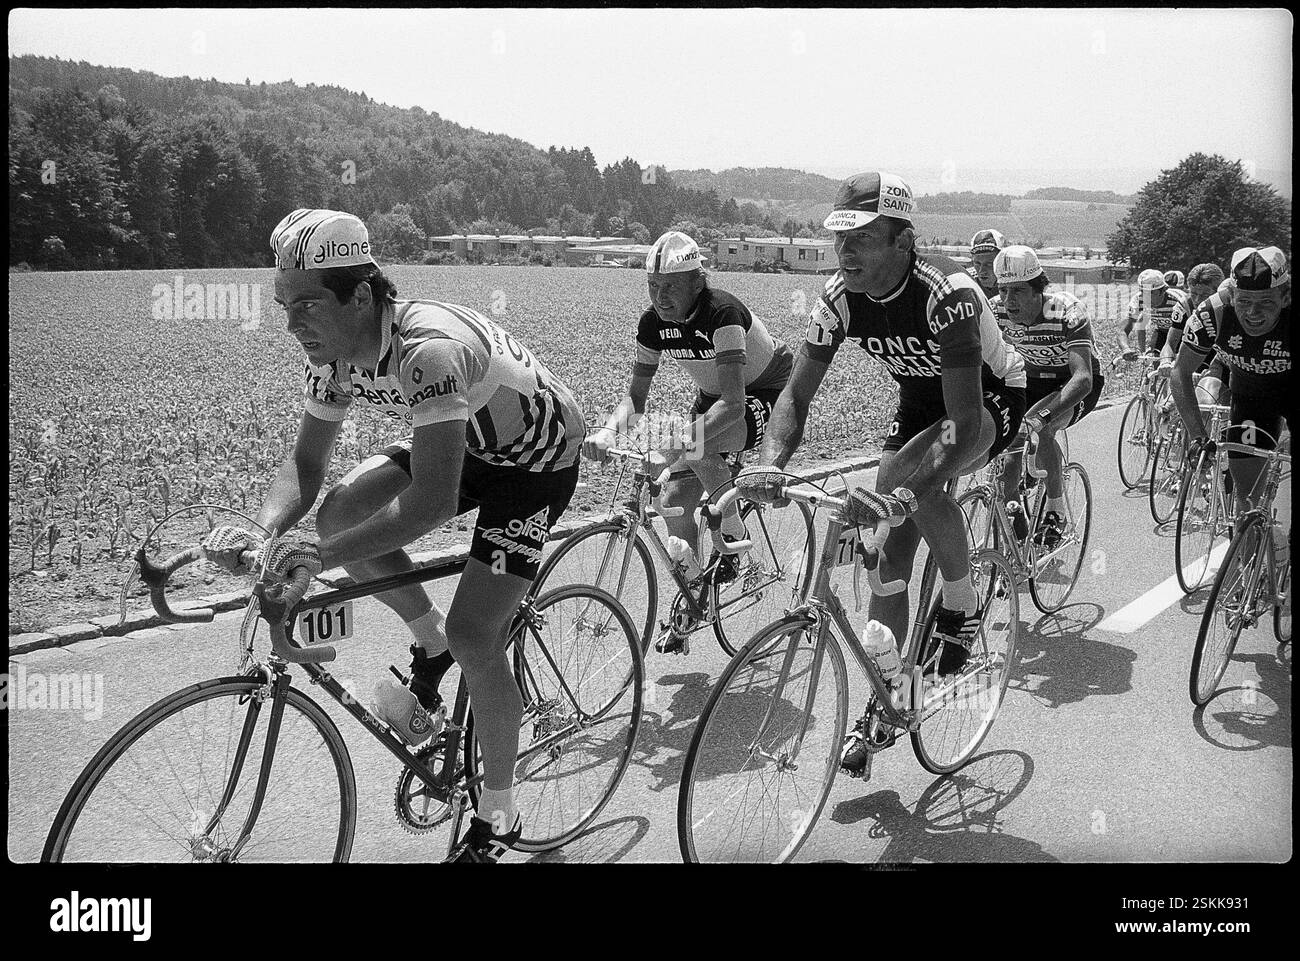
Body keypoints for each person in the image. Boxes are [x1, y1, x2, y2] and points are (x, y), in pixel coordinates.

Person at [201, 208, 586, 863]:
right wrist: (260, 529)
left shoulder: (426, 349)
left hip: (532, 460)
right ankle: (429, 640)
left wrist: (316, 557)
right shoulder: (331, 356)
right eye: (282, 305)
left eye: (305, 305)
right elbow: (306, 466)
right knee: (337, 515)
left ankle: (498, 813)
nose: (291, 324)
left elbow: (430, 499)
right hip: (466, 438)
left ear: (360, 295)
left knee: (477, 633)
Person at [733, 171, 1026, 777]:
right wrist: (768, 464)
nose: (846, 254)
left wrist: (906, 493)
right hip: (922, 402)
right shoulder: (838, 299)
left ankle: (961, 601)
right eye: (840, 240)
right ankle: (890, 692)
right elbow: (795, 394)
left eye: (861, 239)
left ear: (902, 240)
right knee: (889, 556)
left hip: (989, 397)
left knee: (909, 486)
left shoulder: (950, 293)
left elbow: (964, 422)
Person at [584, 231, 793, 652]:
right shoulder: (652, 323)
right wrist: (608, 432)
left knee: (695, 445)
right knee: (671, 500)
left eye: (671, 287)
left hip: (764, 389)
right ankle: (696, 591)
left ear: (698, 282)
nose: (660, 297)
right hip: (715, 396)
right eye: (652, 286)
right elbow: (635, 399)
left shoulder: (723, 314)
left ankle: (733, 542)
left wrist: (676, 445)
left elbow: (733, 405)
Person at [992, 246, 1103, 549]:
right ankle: (1018, 538)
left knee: (1040, 428)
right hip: (1029, 380)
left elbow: (1083, 378)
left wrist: (1041, 418)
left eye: (1017, 291)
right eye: (1003, 290)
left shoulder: (1067, 310)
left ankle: (1056, 510)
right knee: (1008, 451)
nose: (1008, 299)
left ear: (1037, 289)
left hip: (1074, 382)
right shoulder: (996, 310)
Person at [1171, 245, 1291, 517]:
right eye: (1244, 301)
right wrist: (1198, 435)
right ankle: (1246, 555)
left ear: (1285, 297)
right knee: (1246, 500)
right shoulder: (1213, 312)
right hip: (1252, 400)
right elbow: (1180, 372)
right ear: (1232, 295)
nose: (1253, 313)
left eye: (1266, 302)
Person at [1118, 268, 1190, 361]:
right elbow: (1122, 330)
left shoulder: (1179, 300)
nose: (1146, 297)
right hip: (1162, 331)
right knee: (1155, 360)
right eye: (1143, 292)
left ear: (1164, 290)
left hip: (1183, 333)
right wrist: (1126, 349)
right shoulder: (1138, 300)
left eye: (1151, 293)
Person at [968, 228, 1009, 315]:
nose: (982, 270)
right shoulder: (967, 281)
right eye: (977, 263)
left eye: (989, 264)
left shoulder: (1013, 281)